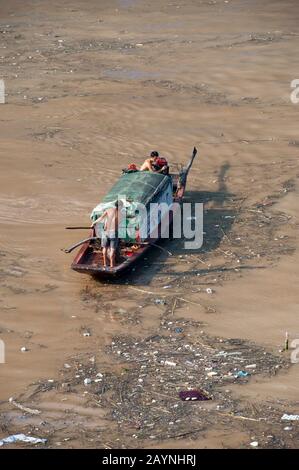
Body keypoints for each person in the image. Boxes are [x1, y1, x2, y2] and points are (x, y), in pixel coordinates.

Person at [91, 200, 124, 269]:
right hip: (113, 233)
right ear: (120, 207)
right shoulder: (121, 214)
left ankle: (105, 264)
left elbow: (101, 218)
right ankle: (112, 266)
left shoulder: (108, 210)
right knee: (112, 250)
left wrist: (93, 223)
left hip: (105, 232)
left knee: (105, 248)